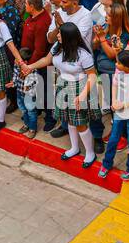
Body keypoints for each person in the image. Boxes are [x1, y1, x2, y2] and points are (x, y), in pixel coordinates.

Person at [24, 21, 98, 169]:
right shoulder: (57, 47)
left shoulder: (83, 55)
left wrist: (83, 95)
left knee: (80, 123)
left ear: (69, 37)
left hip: (79, 87)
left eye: (60, 33)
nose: (57, 35)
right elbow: (46, 60)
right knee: (69, 120)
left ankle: (90, 153)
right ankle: (75, 148)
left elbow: (93, 76)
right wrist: (29, 67)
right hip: (62, 84)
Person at [100, 48, 129, 180]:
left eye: (118, 63)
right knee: (113, 140)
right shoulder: (118, 72)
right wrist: (114, 101)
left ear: (126, 66)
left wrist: (123, 105)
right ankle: (107, 164)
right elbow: (114, 85)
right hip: (119, 113)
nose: (116, 64)